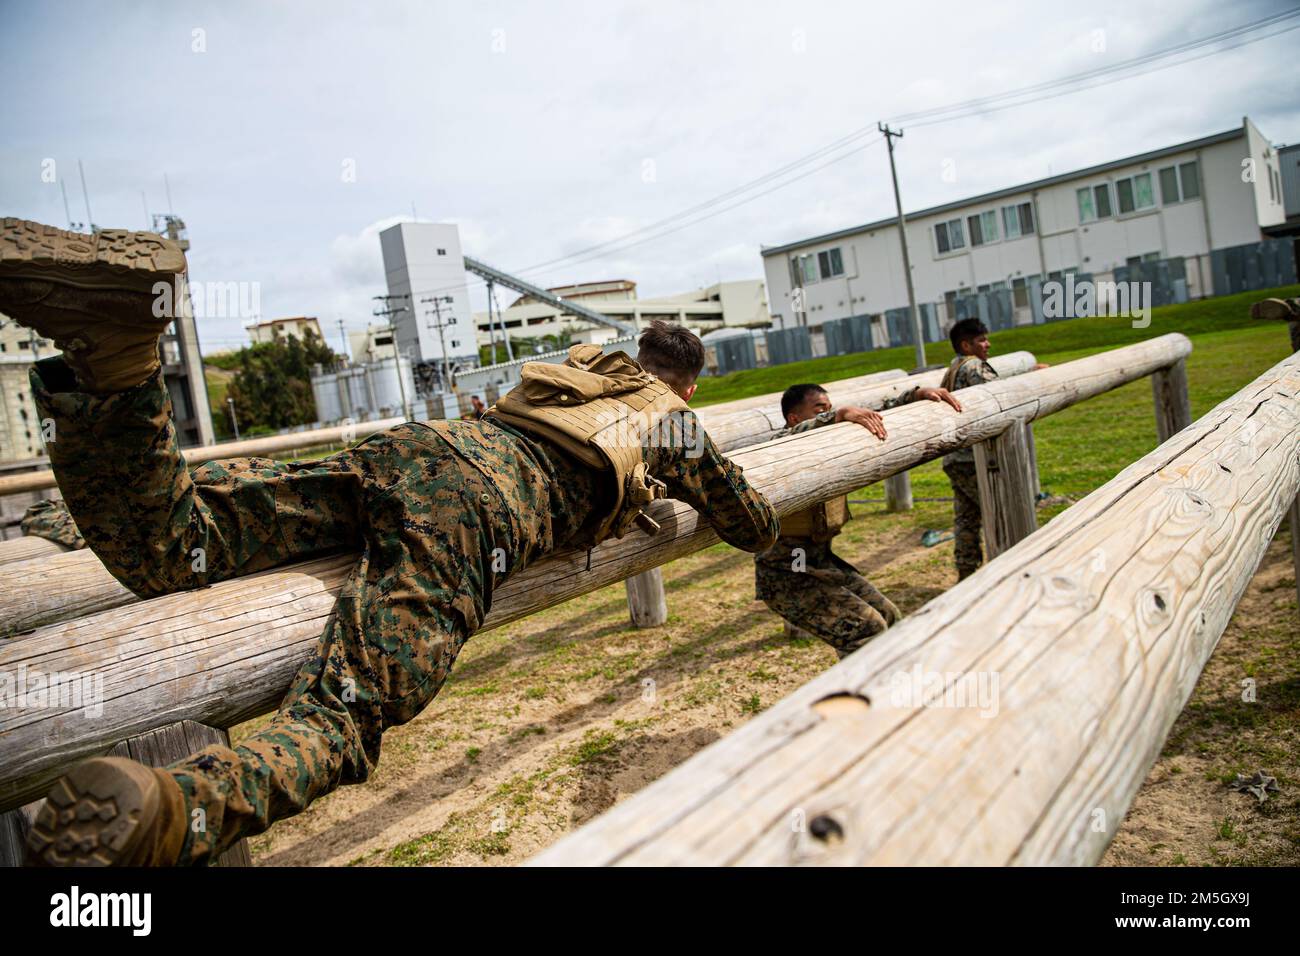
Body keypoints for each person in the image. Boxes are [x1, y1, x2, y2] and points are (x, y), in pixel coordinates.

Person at [0, 219, 778, 867]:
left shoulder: (588, 367)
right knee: (344, 714)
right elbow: (748, 522)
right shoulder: (672, 418)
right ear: (688, 385)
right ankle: (174, 811)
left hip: (413, 450)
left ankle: (118, 361)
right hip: (476, 510)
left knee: (186, 544)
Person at [756, 379, 960, 658]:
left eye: (829, 408)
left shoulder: (826, 441)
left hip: (818, 561)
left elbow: (873, 410)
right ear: (794, 418)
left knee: (888, 616)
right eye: (819, 409)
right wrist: (837, 415)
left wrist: (915, 395)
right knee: (866, 630)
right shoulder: (778, 447)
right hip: (787, 571)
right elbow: (787, 438)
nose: (827, 414)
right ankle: (858, 697)